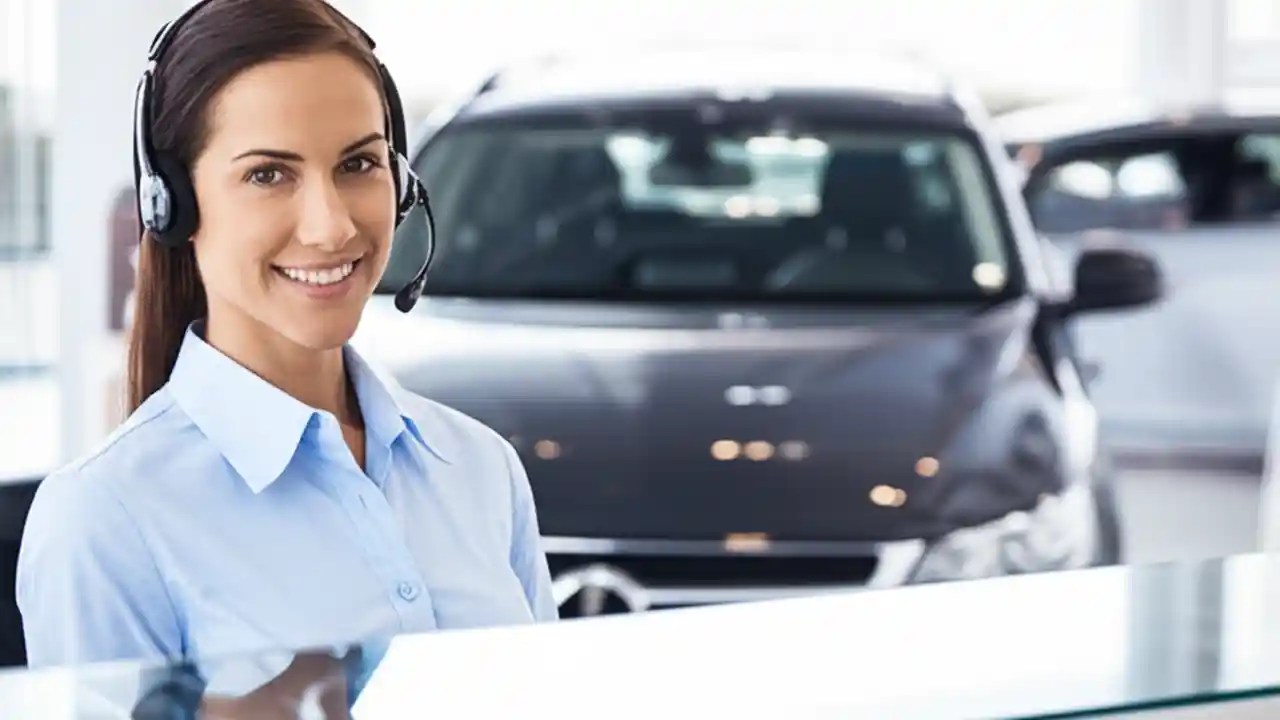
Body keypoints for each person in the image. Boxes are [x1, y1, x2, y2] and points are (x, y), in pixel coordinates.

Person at [16, 0, 557, 670]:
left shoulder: (479, 468)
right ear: (172, 203)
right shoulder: (104, 520)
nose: (330, 226)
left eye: (358, 165)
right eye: (268, 174)